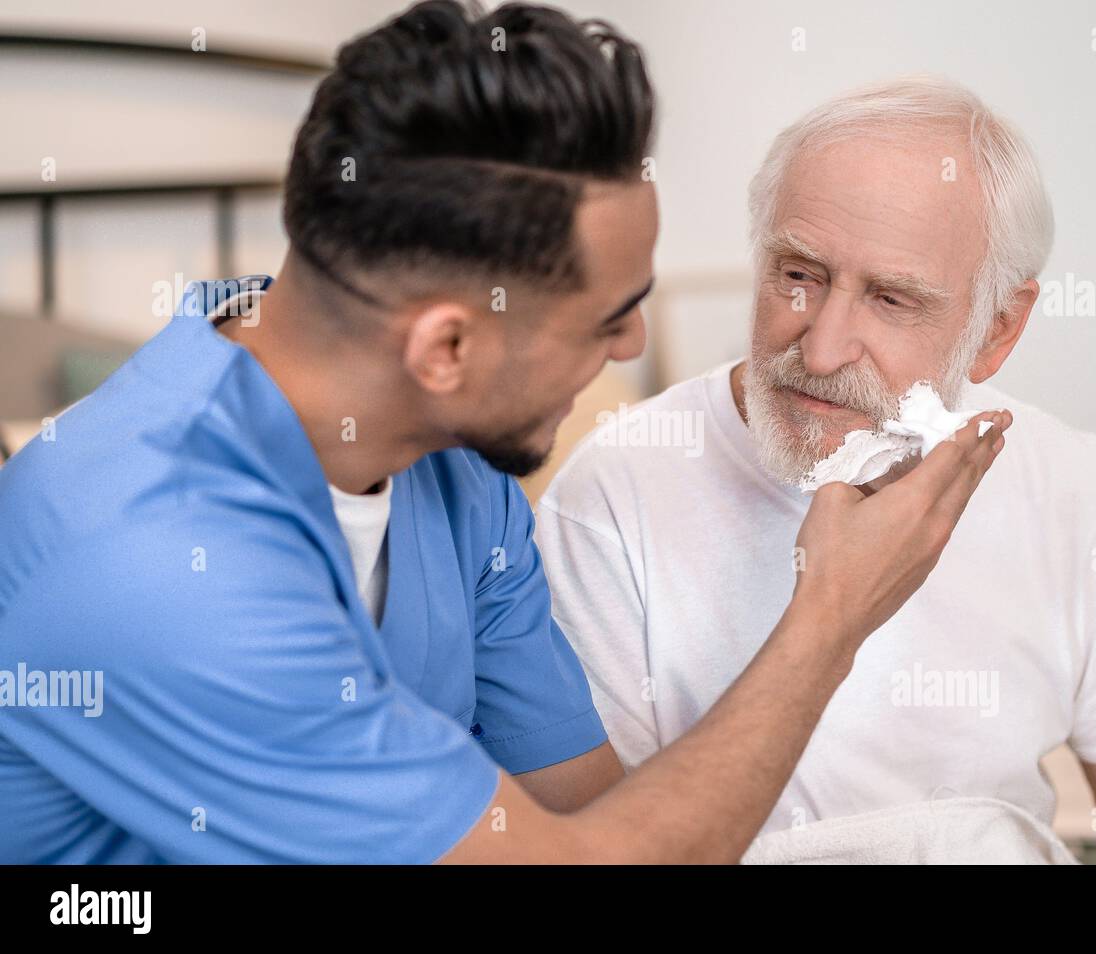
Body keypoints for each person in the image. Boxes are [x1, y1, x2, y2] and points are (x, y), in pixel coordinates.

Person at [0, 2, 1009, 864]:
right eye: (606, 316)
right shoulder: (158, 567)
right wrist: (830, 615)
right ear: (445, 349)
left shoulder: (455, 472)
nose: (635, 343)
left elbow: (590, 813)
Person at [535, 76, 1096, 863]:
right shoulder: (613, 493)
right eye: (798, 273)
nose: (822, 350)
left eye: (892, 300)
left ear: (997, 329)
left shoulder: (1071, 479)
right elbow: (601, 852)